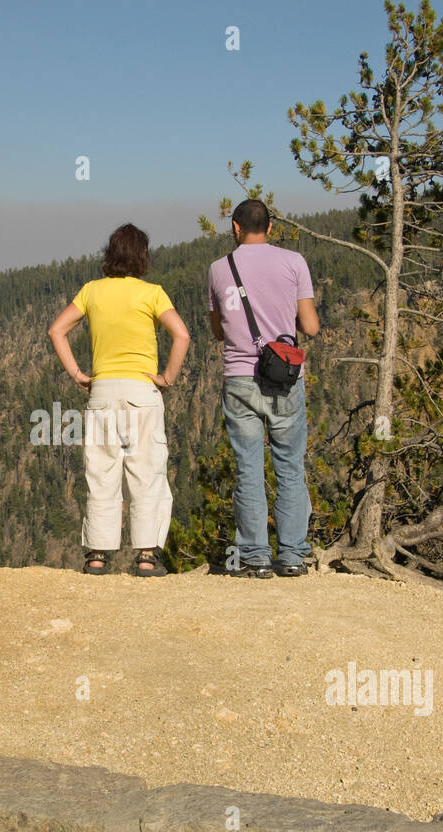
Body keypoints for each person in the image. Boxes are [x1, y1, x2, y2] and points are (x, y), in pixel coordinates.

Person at [48, 223, 190, 576]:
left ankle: (97, 556)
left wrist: (79, 374)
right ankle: (146, 557)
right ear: (143, 257)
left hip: (103, 392)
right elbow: (182, 334)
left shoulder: (91, 292)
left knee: (102, 474)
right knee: (147, 473)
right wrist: (167, 377)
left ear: (109, 255)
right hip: (142, 392)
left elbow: (57, 330)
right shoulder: (152, 293)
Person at [206, 199, 320, 578]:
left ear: (235, 228)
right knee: (290, 467)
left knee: (248, 469)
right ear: (270, 227)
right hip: (285, 379)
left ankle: (254, 556)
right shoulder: (294, 262)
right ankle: (292, 556)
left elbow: (218, 329)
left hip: (239, 377)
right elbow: (311, 326)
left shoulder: (219, 269)